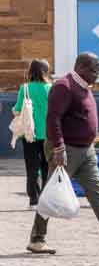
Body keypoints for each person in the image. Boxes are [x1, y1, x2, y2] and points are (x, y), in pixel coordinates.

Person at [28, 52, 99, 255]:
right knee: (52, 193)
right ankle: (37, 239)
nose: (97, 73)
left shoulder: (84, 86)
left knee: (97, 193)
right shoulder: (64, 86)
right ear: (80, 67)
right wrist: (59, 147)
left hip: (86, 150)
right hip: (67, 149)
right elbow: (53, 119)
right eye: (93, 69)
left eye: (98, 69)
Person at [15, 58, 51, 206]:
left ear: (31, 71)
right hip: (48, 134)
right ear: (45, 71)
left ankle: (33, 200)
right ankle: (45, 198)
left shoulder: (25, 88)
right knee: (46, 167)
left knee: (32, 167)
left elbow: (17, 110)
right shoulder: (51, 88)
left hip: (29, 134)